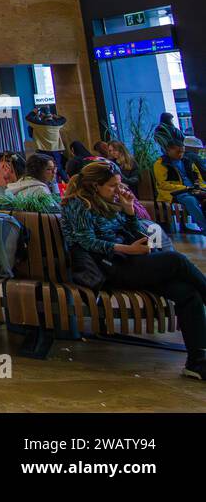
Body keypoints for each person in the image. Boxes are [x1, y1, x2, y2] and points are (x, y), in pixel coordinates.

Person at [60, 160, 206, 380]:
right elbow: (85, 242)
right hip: (109, 267)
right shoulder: (78, 204)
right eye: (112, 185)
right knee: (176, 261)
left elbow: (133, 232)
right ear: (94, 186)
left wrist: (129, 212)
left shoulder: (110, 202)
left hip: (129, 262)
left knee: (188, 294)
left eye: (119, 185)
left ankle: (197, 362)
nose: (118, 190)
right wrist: (127, 249)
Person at [153, 142, 206, 232]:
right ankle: (204, 228)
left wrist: (203, 188)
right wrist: (185, 188)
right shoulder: (161, 164)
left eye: (182, 152)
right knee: (190, 200)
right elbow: (163, 184)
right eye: (178, 152)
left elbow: (198, 178)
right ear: (168, 151)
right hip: (176, 192)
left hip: (193, 189)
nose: (180, 154)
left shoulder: (187, 161)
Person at [26, 105, 68, 183]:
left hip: (43, 150)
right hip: (56, 150)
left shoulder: (39, 125)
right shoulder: (57, 125)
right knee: (58, 167)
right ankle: (67, 183)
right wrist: (55, 116)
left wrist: (33, 112)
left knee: (44, 169)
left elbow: (28, 118)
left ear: (42, 115)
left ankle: (46, 184)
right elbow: (63, 119)